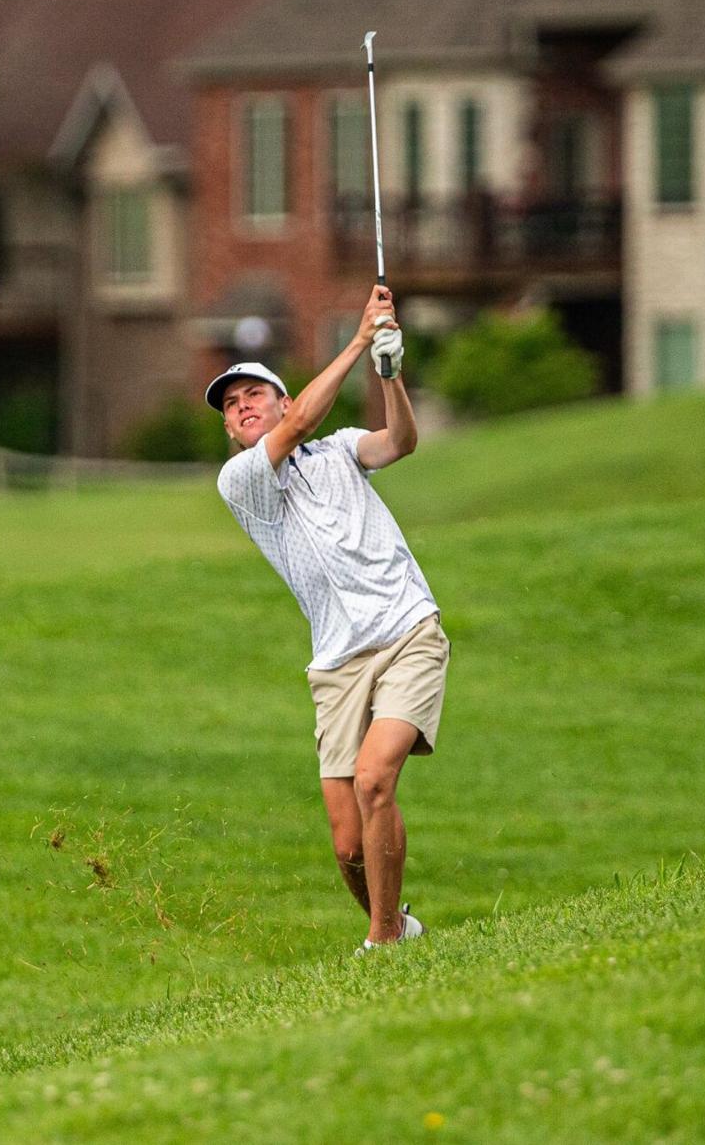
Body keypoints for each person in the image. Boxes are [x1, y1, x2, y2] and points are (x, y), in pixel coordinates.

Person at [205, 285, 450, 952]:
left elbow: (400, 442)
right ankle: (399, 925)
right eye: (231, 405)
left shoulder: (341, 450)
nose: (242, 407)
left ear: (280, 399)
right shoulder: (242, 482)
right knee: (348, 845)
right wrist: (359, 341)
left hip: (406, 631)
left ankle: (382, 946)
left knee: (376, 779)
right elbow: (302, 425)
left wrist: (391, 375)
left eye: (253, 394)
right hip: (336, 662)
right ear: (231, 429)